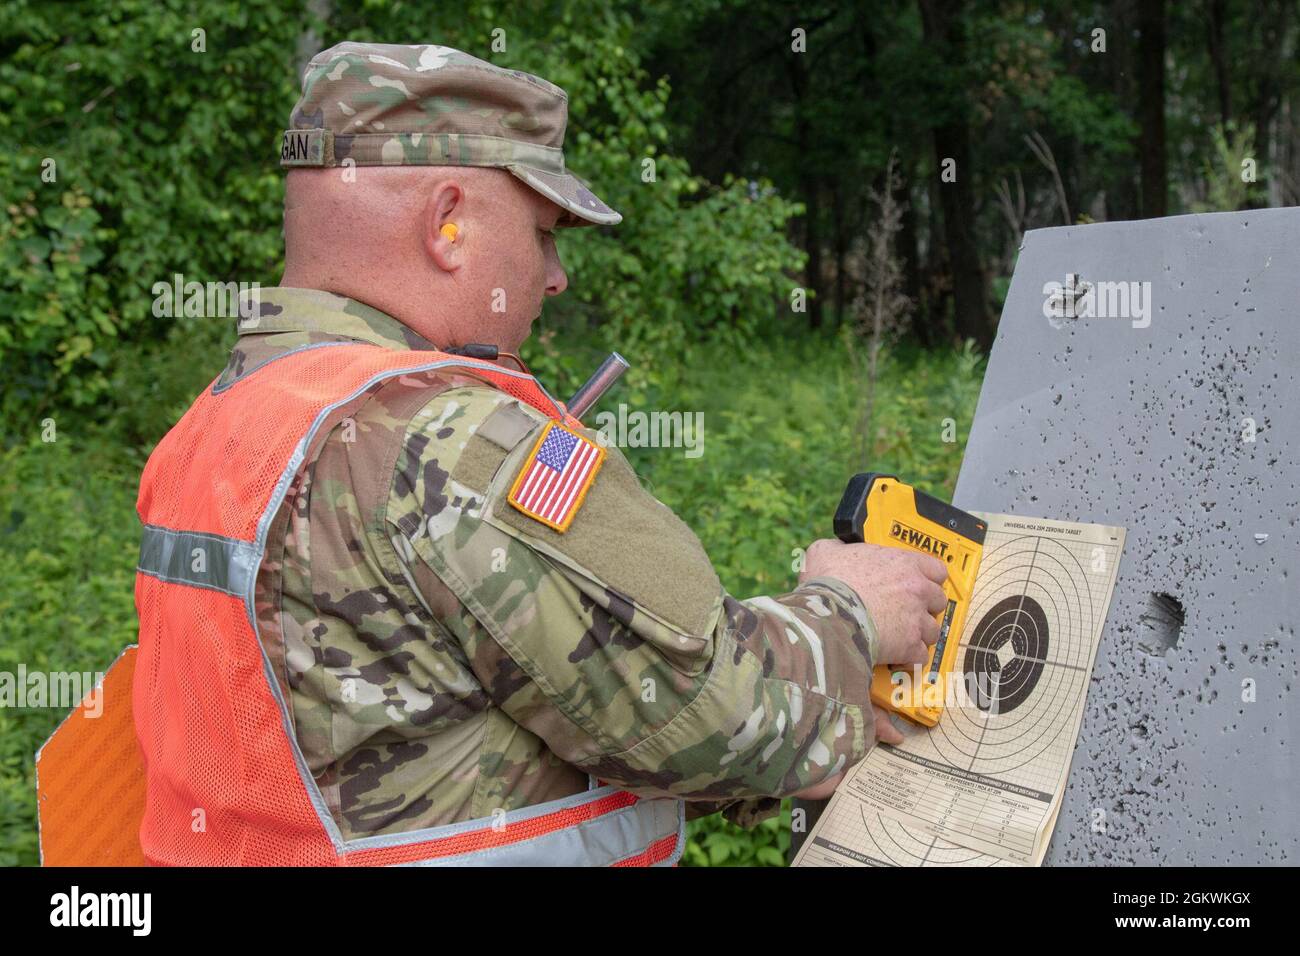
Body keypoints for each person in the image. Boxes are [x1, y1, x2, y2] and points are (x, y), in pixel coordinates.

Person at [132, 41, 946, 866]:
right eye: (544, 232)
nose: (554, 276)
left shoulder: (218, 424)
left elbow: (435, 723)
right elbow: (709, 714)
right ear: (448, 223)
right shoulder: (447, 444)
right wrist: (848, 612)